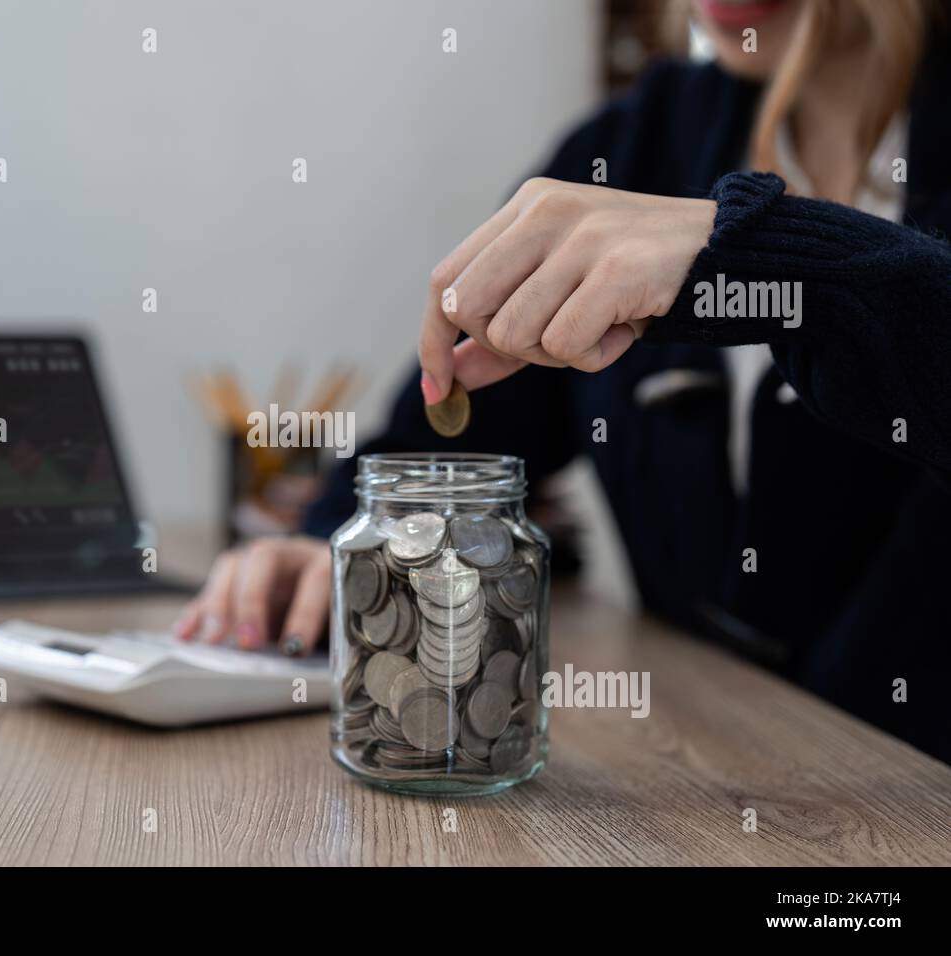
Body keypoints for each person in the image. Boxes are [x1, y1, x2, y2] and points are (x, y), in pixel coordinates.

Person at [175, 0, 951, 762]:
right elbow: (459, 417)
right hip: (696, 787)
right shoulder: (637, 142)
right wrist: (330, 540)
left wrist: (774, 256)